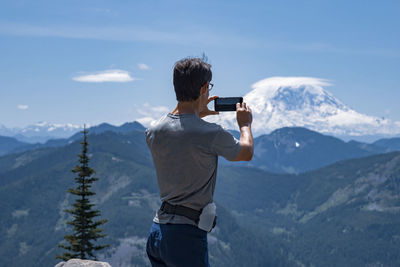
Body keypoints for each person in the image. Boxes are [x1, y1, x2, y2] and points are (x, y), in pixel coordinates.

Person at [145, 57, 253, 267]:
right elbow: (246, 152)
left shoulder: (153, 131)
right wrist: (245, 124)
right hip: (186, 236)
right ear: (205, 88)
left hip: (158, 230)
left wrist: (194, 112)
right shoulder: (210, 133)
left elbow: (177, 125)